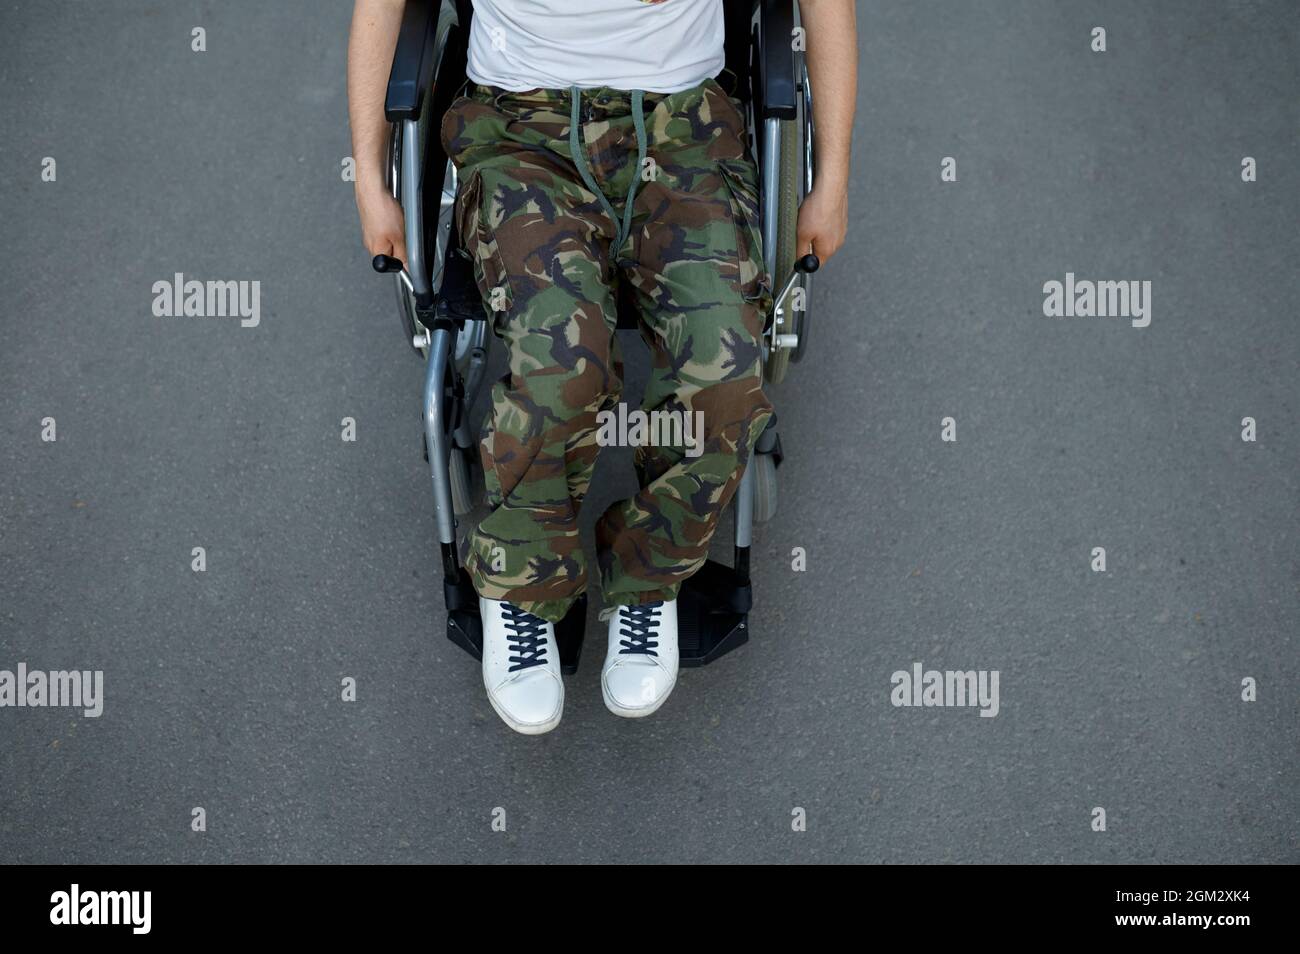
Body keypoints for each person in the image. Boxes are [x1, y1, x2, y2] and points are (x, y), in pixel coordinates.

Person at [349, 0, 855, 734]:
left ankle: (648, 580)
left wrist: (831, 172)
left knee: (725, 376)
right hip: (521, 127)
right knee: (564, 371)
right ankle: (521, 587)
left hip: (684, 127)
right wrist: (369, 173)